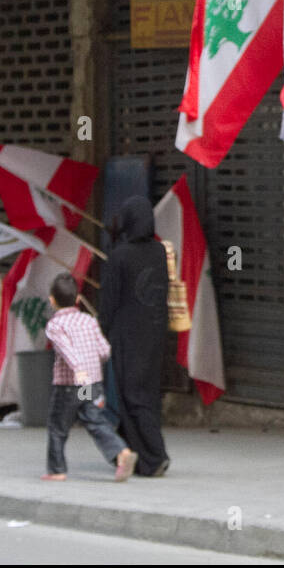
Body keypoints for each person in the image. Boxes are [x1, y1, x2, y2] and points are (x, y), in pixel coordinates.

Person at [40, 273, 137, 482]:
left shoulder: (55, 326)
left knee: (57, 427)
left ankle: (57, 470)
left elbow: (66, 350)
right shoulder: (89, 320)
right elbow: (104, 349)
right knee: (94, 420)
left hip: (69, 385)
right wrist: (91, 368)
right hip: (91, 384)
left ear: (52, 300)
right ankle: (121, 452)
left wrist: (79, 368)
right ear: (77, 299)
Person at [99, 195, 171, 477]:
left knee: (132, 396)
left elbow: (109, 300)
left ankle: (155, 456)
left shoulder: (120, 255)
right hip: (154, 333)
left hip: (127, 335)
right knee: (146, 395)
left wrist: (101, 332)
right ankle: (132, 454)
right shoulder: (158, 252)